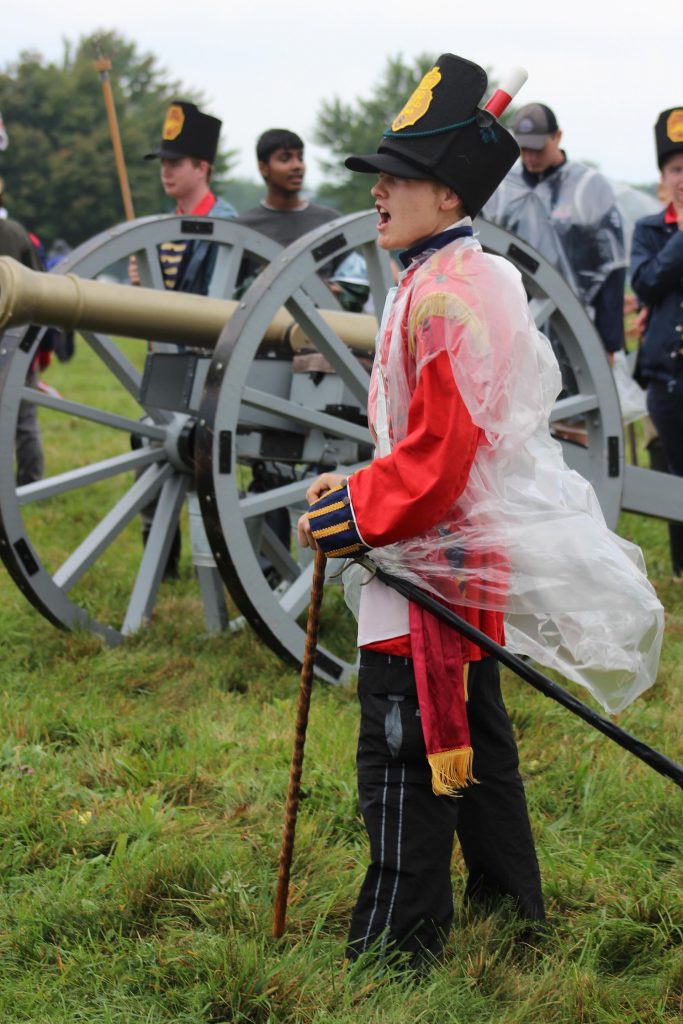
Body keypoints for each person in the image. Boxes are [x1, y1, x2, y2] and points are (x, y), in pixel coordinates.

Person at [296, 54, 663, 972]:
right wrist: (358, 485)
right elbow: (428, 440)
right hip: (460, 560)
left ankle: (394, 947)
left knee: (400, 754)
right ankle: (511, 910)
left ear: (450, 196)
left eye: (398, 177)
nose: (377, 191)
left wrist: (356, 511)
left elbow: (441, 456)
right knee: (479, 745)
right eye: (380, 176)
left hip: (428, 562)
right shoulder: (454, 274)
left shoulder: (446, 294)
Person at [130, 101, 236, 578]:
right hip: (168, 364)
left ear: (202, 167)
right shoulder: (162, 228)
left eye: (176, 163)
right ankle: (162, 559)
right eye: (163, 163)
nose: (166, 172)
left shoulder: (227, 226)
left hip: (210, 364)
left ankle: (206, 558)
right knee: (147, 442)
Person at [483, 102, 626, 363]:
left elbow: (611, 267)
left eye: (538, 149)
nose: (530, 157)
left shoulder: (588, 188)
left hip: (577, 332)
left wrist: (608, 342)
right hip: (514, 329)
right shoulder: (501, 189)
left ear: (557, 136)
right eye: (524, 149)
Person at [630, 107, 683, 582]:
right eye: (676, 169)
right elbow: (645, 283)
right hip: (667, 373)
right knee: (673, 471)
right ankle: (682, 568)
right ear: (664, 178)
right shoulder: (650, 230)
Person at [0, 214, 47, 484]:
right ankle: (30, 481)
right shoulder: (18, 233)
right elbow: (42, 289)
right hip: (20, 341)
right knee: (25, 421)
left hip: (16, 339)